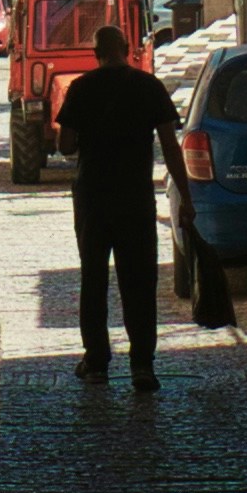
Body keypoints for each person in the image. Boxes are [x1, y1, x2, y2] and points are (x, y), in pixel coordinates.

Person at [53, 22, 187, 390]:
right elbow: (170, 146)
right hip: (135, 198)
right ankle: (142, 365)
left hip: (94, 197)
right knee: (140, 281)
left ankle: (96, 360)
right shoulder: (149, 87)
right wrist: (185, 196)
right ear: (127, 49)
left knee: (93, 278)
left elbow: (65, 146)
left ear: (96, 53)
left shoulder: (81, 88)